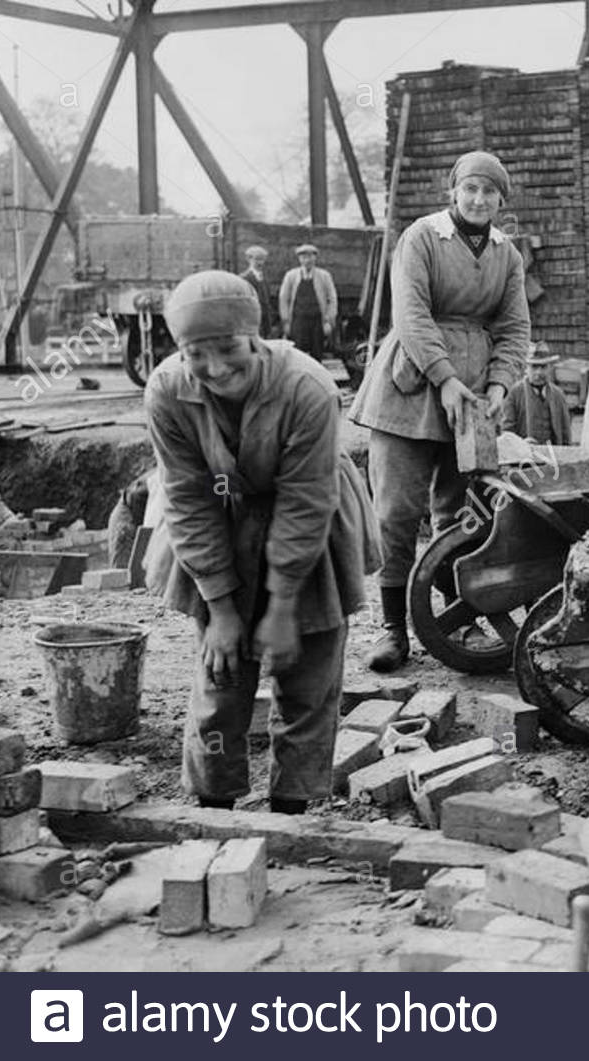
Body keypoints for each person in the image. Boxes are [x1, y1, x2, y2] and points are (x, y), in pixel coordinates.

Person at [142, 270, 380, 813]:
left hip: (312, 520)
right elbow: (186, 498)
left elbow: (304, 503)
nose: (216, 367)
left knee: (308, 671)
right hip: (220, 518)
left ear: (256, 335)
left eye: (228, 348)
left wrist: (283, 602)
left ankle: (292, 808)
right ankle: (214, 804)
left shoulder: (308, 386)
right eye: (195, 353)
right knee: (221, 670)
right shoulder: (166, 391)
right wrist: (222, 609)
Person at [349, 150, 529, 672]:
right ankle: (392, 629)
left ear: (501, 201)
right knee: (397, 512)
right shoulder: (421, 238)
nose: (478, 199)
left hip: (472, 399)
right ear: (453, 191)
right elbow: (412, 315)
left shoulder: (506, 255)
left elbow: (516, 329)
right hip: (409, 388)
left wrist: (498, 385)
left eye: (489, 192)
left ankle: (456, 619)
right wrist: (445, 379)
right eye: (469, 189)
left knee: (461, 513)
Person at [501, 342, 571, 445]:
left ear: (550, 368)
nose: (539, 372)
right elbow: (506, 432)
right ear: (526, 369)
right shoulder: (515, 393)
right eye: (534, 367)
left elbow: (566, 433)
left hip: (553, 455)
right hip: (524, 456)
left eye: (543, 367)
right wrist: (520, 443)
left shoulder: (558, 395)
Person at [278, 243, 337, 361]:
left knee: (317, 353)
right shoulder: (291, 276)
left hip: (317, 322)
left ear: (315, 258)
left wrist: (328, 321)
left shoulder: (324, 276)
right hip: (298, 321)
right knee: (297, 354)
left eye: (310, 257)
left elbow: (332, 299)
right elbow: (283, 299)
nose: (307, 260)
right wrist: (286, 322)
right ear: (299, 259)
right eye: (304, 257)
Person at [239, 245, 278, 338]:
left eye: (262, 259)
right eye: (257, 259)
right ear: (249, 259)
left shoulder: (264, 278)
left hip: (265, 320)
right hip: (252, 320)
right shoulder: (244, 278)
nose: (260, 263)